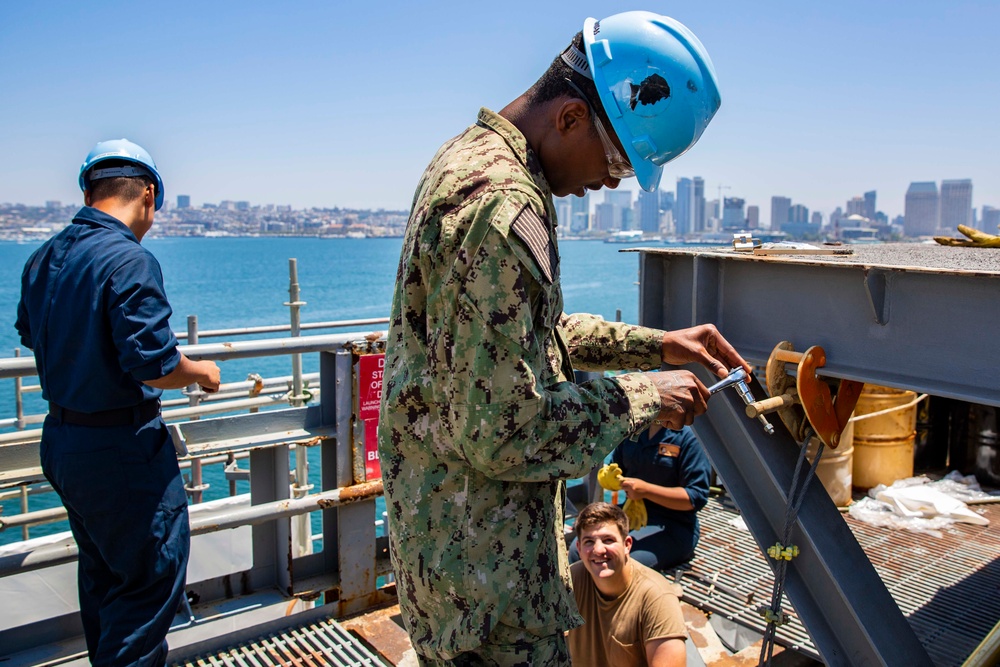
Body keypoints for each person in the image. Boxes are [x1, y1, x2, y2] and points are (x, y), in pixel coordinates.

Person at [378, 11, 743, 664]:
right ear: (570, 117)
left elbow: (525, 337)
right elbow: (506, 429)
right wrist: (642, 396)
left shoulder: (473, 158)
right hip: (487, 598)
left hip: (461, 568)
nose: (609, 181)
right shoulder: (501, 205)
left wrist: (657, 345)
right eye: (614, 159)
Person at [15, 138, 221, 666]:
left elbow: (32, 333)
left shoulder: (43, 257)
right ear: (148, 193)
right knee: (148, 587)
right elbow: (154, 363)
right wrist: (202, 373)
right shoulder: (129, 259)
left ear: (89, 191)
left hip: (63, 441)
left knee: (104, 577)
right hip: (121, 452)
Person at [570, 424, 711, 570]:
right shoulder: (633, 432)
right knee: (577, 551)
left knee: (622, 563)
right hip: (630, 515)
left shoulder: (688, 438)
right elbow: (615, 467)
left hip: (674, 524)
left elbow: (696, 497)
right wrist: (610, 478)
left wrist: (646, 490)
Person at [568, 502, 687, 667]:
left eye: (608, 540)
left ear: (627, 545)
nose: (598, 550)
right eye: (589, 542)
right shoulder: (571, 581)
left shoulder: (657, 598)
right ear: (579, 549)